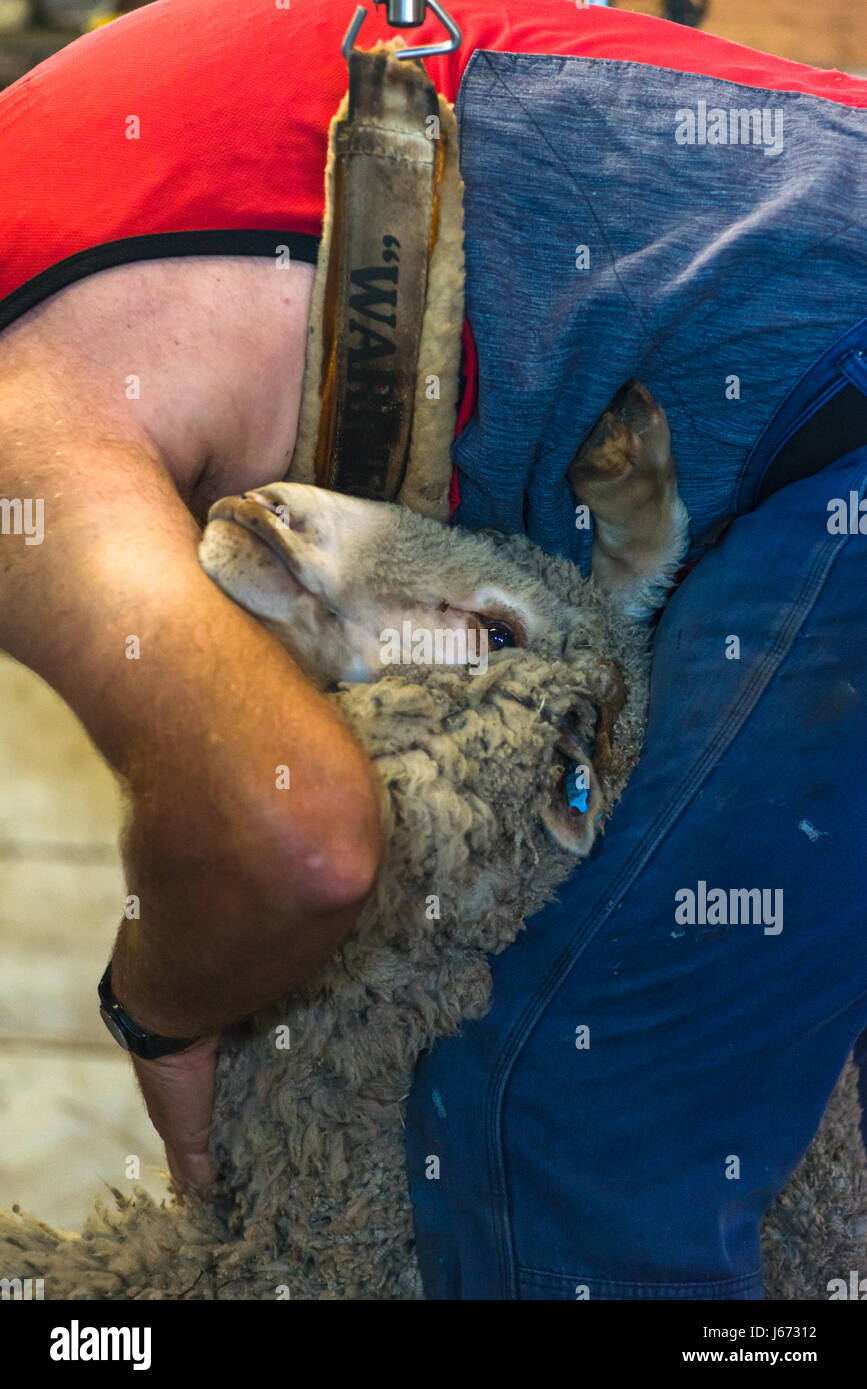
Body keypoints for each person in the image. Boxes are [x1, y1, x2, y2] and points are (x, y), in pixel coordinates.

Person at [1, 0, 865, 1298]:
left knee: (557, 1110)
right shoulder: (85, 136)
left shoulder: (24, 413)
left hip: (832, 442)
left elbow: (287, 834)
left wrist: (159, 1011)